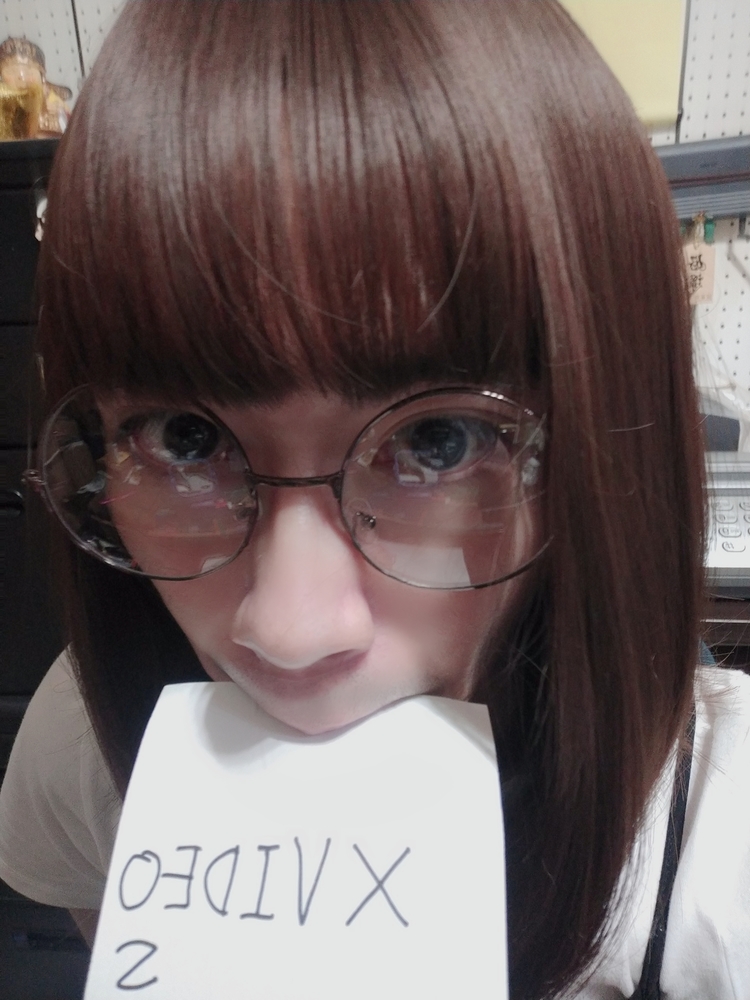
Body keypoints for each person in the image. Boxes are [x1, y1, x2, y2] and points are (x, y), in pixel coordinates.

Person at [0, 1, 748, 997]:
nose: (290, 633)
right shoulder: (87, 746)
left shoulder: (717, 850)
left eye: (438, 443)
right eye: (185, 439)